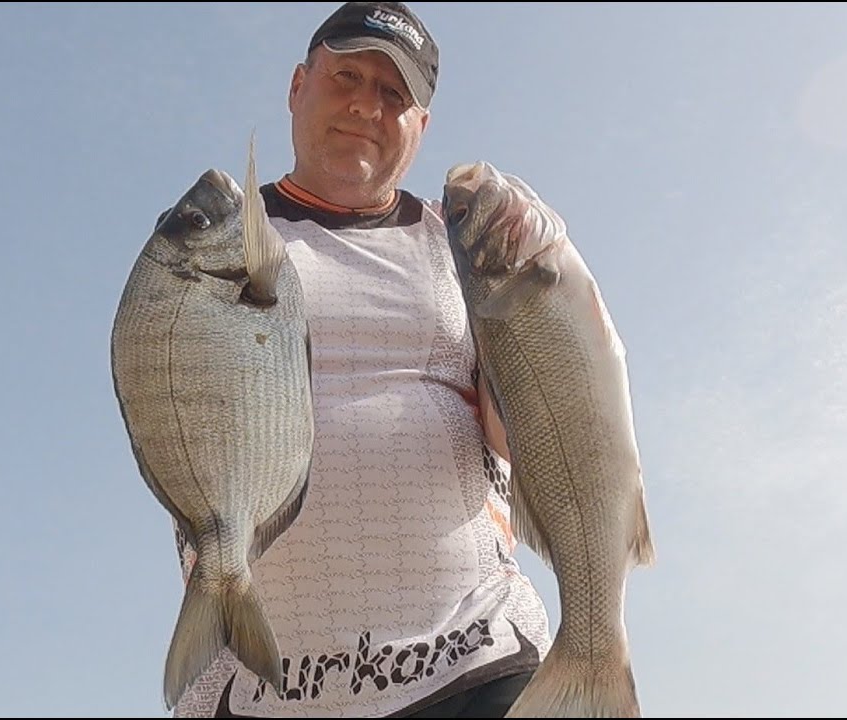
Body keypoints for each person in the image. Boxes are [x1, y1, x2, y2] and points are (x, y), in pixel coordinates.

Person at [167, 3, 553, 717]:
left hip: (474, 665)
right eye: (347, 75)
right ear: (297, 85)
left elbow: (520, 437)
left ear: (420, 127)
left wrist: (550, 344)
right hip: (259, 690)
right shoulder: (209, 245)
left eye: (393, 94)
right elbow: (168, 413)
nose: (365, 105)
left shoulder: (466, 246)